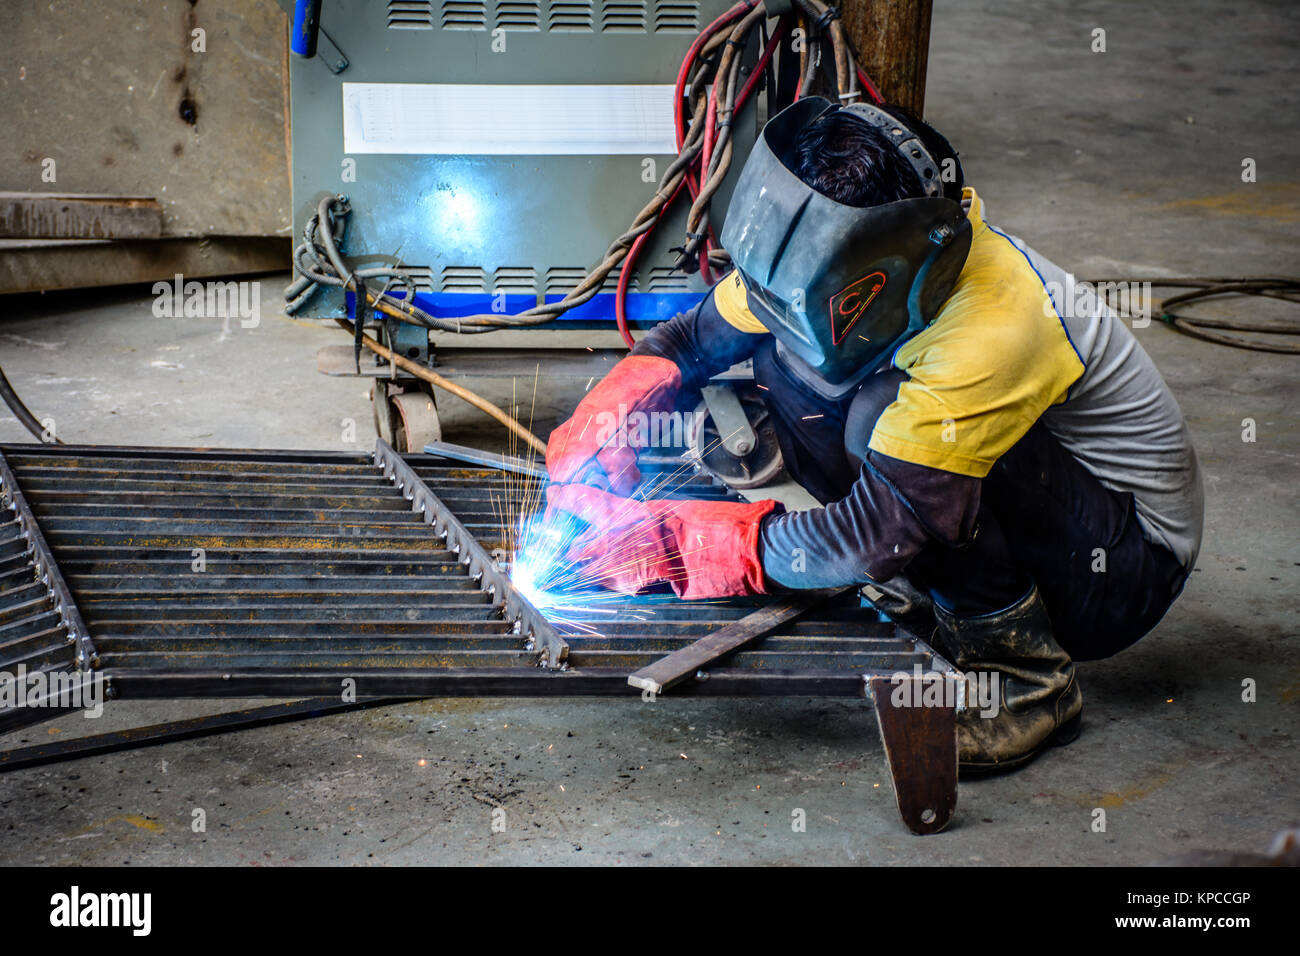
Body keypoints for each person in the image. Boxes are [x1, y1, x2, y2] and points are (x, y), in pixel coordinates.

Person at [542, 97, 1203, 772]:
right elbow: (688, 341)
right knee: (789, 356)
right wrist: (604, 422)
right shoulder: (825, 260)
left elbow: (873, 532)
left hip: (1119, 569)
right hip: (1049, 515)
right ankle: (937, 591)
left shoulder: (997, 326)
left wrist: (690, 545)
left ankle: (1026, 683)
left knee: (879, 414)